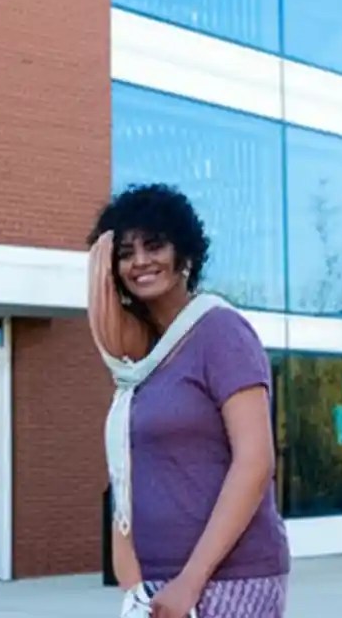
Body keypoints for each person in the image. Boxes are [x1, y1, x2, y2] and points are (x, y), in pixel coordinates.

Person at [86, 183, 290, 618]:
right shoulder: (142, 361)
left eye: (154, 245)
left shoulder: (221, 332)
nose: (140, 261)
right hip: (158, 582)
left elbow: (255, 462)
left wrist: (191, 580)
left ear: (185, 256)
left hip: (230, 578)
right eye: (125, 252)